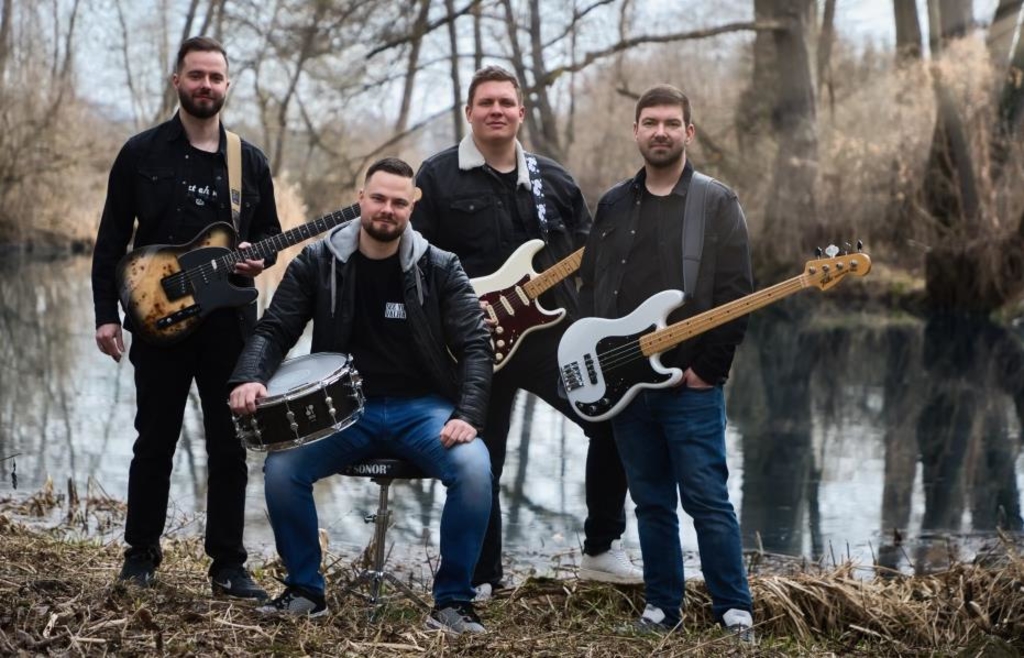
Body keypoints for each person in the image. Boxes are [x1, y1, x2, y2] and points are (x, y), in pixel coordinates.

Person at [228, 158, 494, 632]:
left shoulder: (440, 266)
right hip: (344, 411)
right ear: (360, 200)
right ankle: (306, 591)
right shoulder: (318, 260)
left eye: (399, 202)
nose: (387, 209)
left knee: (474, 468)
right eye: (379, 198)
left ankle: (453, 602)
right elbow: (274, 329)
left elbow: (476, 345)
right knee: (282, 469)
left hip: (422, 410)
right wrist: (249, 377)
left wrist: (468, 413)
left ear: (411, 208)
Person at [411, 65, 641, 597]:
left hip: (548, 337)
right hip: (472, 342)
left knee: (613, 418)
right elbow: (416, 265)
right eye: (485, 102)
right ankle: (481, 574)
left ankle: (601, 550)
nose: (496, 110)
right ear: (469, 112)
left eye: (505, 102)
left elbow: (591, 259)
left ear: (520, 112)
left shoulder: (552, 179)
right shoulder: (436, 177)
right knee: (479, 456)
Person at [91, 36, 280, 598]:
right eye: (196, 75)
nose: (206, 85)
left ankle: (228, 566)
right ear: (178, 81)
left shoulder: (249, 161)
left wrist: (260, 258)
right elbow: (110, 242)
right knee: (154, 442)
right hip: (157, 322)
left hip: (229, 327)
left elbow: (269, 234)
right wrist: (105, 316)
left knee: (230, 447)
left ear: (227, 85)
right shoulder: (140, 153)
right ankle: (141, 555)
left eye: (215, 77)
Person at [577, 84, 755, 639]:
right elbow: (592, 286)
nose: (661, 132)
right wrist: (595, 358)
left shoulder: (715, 202)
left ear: (689, 132)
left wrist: (707, 372)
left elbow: (737, 295)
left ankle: (734, 609)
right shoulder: (613, 203)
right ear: (635, 131)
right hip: (627, 385)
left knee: (707, 499)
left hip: (689, 384)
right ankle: (661, 606)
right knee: (651, 502)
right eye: (650, 122)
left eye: (671, 123)